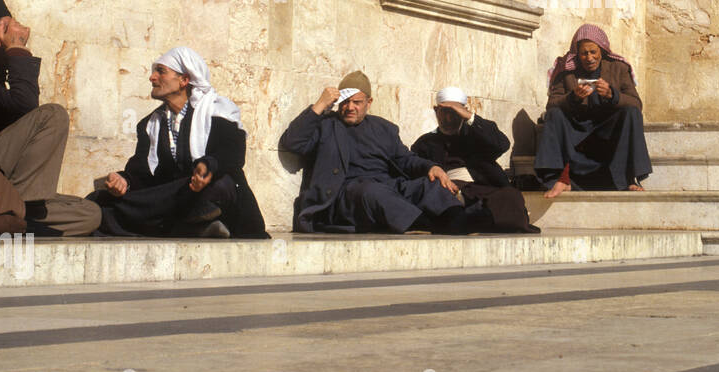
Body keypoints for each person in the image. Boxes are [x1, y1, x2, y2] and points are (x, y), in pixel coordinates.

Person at [0, 0, 101, 235]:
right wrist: (18, 51)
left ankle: (10, 219)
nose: (22, 33)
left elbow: (19, 121)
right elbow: (26, 108)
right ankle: (11, 215)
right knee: (53, 115)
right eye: (10, 28)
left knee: (89, 213)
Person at [88, 47, 267, 239]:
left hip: (208, 193)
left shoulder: (218, 111)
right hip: (176, 197)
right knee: (105, 200)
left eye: (161, 72)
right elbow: (142, 172)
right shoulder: (149, 125)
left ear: (184, 80)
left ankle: (189, 222)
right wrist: (125, 180)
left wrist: (207, 167)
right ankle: (193, 226)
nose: (152, 77)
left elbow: (232, 154)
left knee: (221, 185)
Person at [279, 71, 479, 234]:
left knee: (430, 184)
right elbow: (293, 143)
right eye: (346, 102)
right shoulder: (325, 125)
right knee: (370, 191)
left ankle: (458, 220)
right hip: (346, 195)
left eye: (357, 102)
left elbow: (404, 159)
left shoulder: (384, 128)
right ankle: (423, 224)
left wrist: (431, 167)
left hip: (387, 188)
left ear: (369, 102)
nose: (350, 107)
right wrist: (319, 105)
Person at [534, 24, 651, 197]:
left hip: (607, 129)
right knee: (554, 114)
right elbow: (551, 104)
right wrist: (572, 98)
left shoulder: (618, 68)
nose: (589, 58)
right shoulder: (566, 72)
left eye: (593, 52)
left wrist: (613, 95)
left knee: (631, 113)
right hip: (576, 130)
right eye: (584, 53)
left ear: (601, 51)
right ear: (578, 54)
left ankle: (627, 179)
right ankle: (559, 179)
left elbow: (636, 103)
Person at [411, 86, 539, 232]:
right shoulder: (425, 143)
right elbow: (415, 168)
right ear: (435, 111)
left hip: (483, 188)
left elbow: (502, 144)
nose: (448, 119)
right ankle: (477, 220)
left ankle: (475, 220)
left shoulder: (478, 133)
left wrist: (469, 117)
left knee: (510, 196)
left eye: (454, 113)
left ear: (463, 111)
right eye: (444, 112)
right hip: (449, 190)